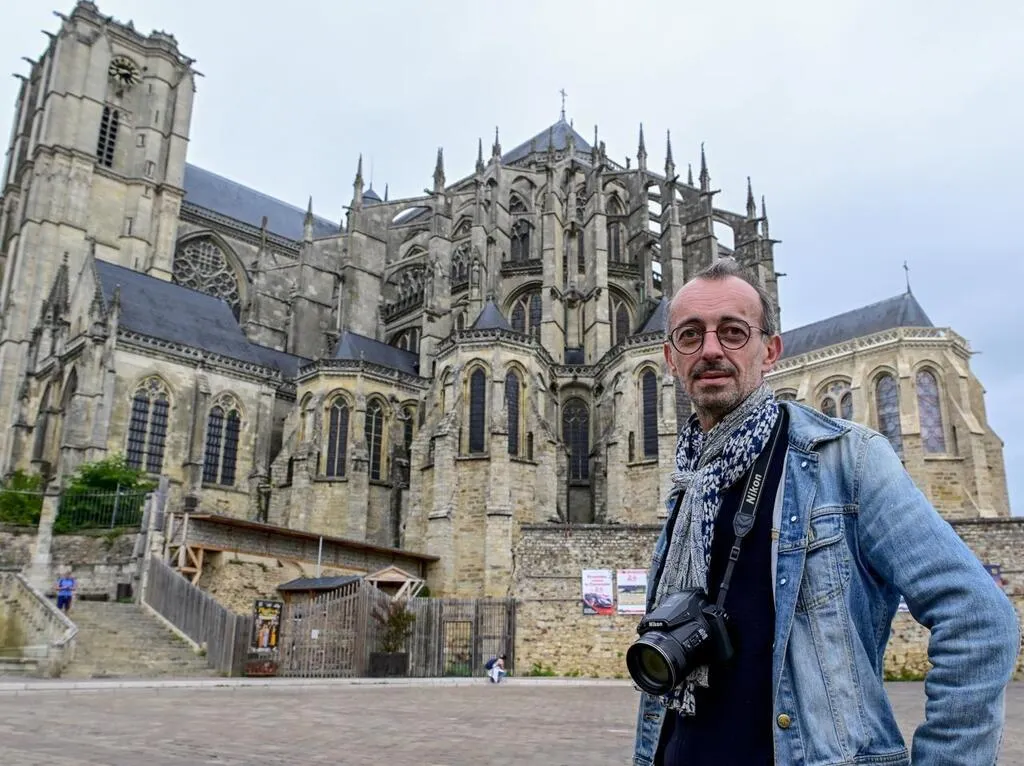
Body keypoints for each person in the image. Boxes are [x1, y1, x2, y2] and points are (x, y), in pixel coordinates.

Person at [633, 258, 1020, 766]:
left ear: (770, 350)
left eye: (733, 332)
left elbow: (979, 617)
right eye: (690, 335)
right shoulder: (688, 484)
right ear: (670, 357)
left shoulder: (847, 460)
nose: (711, 350)